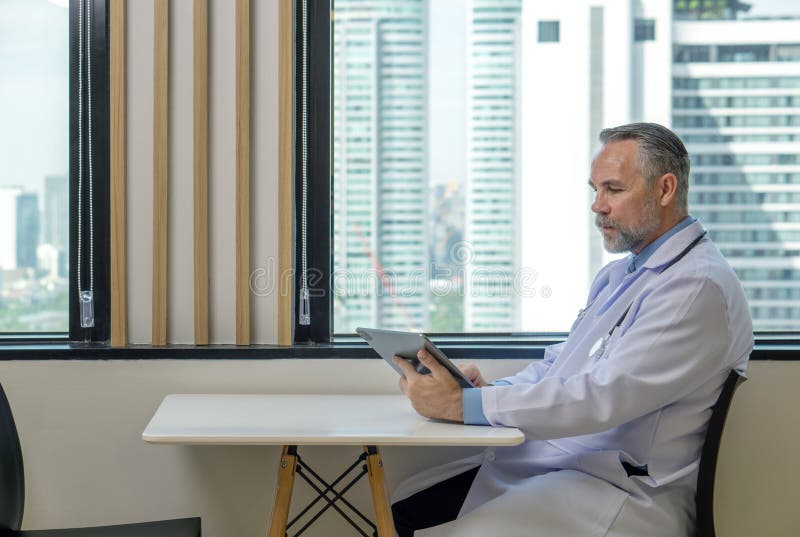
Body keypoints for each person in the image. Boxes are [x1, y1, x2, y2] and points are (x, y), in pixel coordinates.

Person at [390, 122, 753, 537]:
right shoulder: (621, 276)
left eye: (613, 190)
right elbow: (560, 366)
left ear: (665, 189)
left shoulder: (696, 286)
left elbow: (602, 397)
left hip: (621, 491)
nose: (598, 206)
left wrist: (461, 407)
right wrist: (482, 393)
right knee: (405, 504)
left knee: (422, 521)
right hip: (573, 465)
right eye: (594, 190)